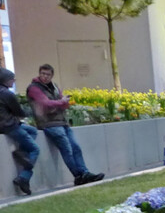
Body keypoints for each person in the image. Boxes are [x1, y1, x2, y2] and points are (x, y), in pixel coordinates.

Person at [26, 64, 103, 186]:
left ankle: (84, 173)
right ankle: (79, 175)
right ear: (39, 73)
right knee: (67, 149)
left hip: (62, 122)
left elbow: (61, 103)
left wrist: (62, 103)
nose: (45, 77)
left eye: (48, 74)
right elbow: (45, 103)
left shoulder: (54, 87)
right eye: (43, 74)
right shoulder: (34, 88)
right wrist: (61, 102)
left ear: (52, 76)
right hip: (49, 124)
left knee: (76, 147)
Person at [0, 68, 39, 196]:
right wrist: (30, 112)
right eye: (12, 78)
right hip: (10, 126)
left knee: (32, 131)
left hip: (6, 125)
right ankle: (24, 177)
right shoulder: (7, 94)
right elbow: (18, 111)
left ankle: (22, 152)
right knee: (35, 149)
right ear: (6, 80)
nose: (14, 80)